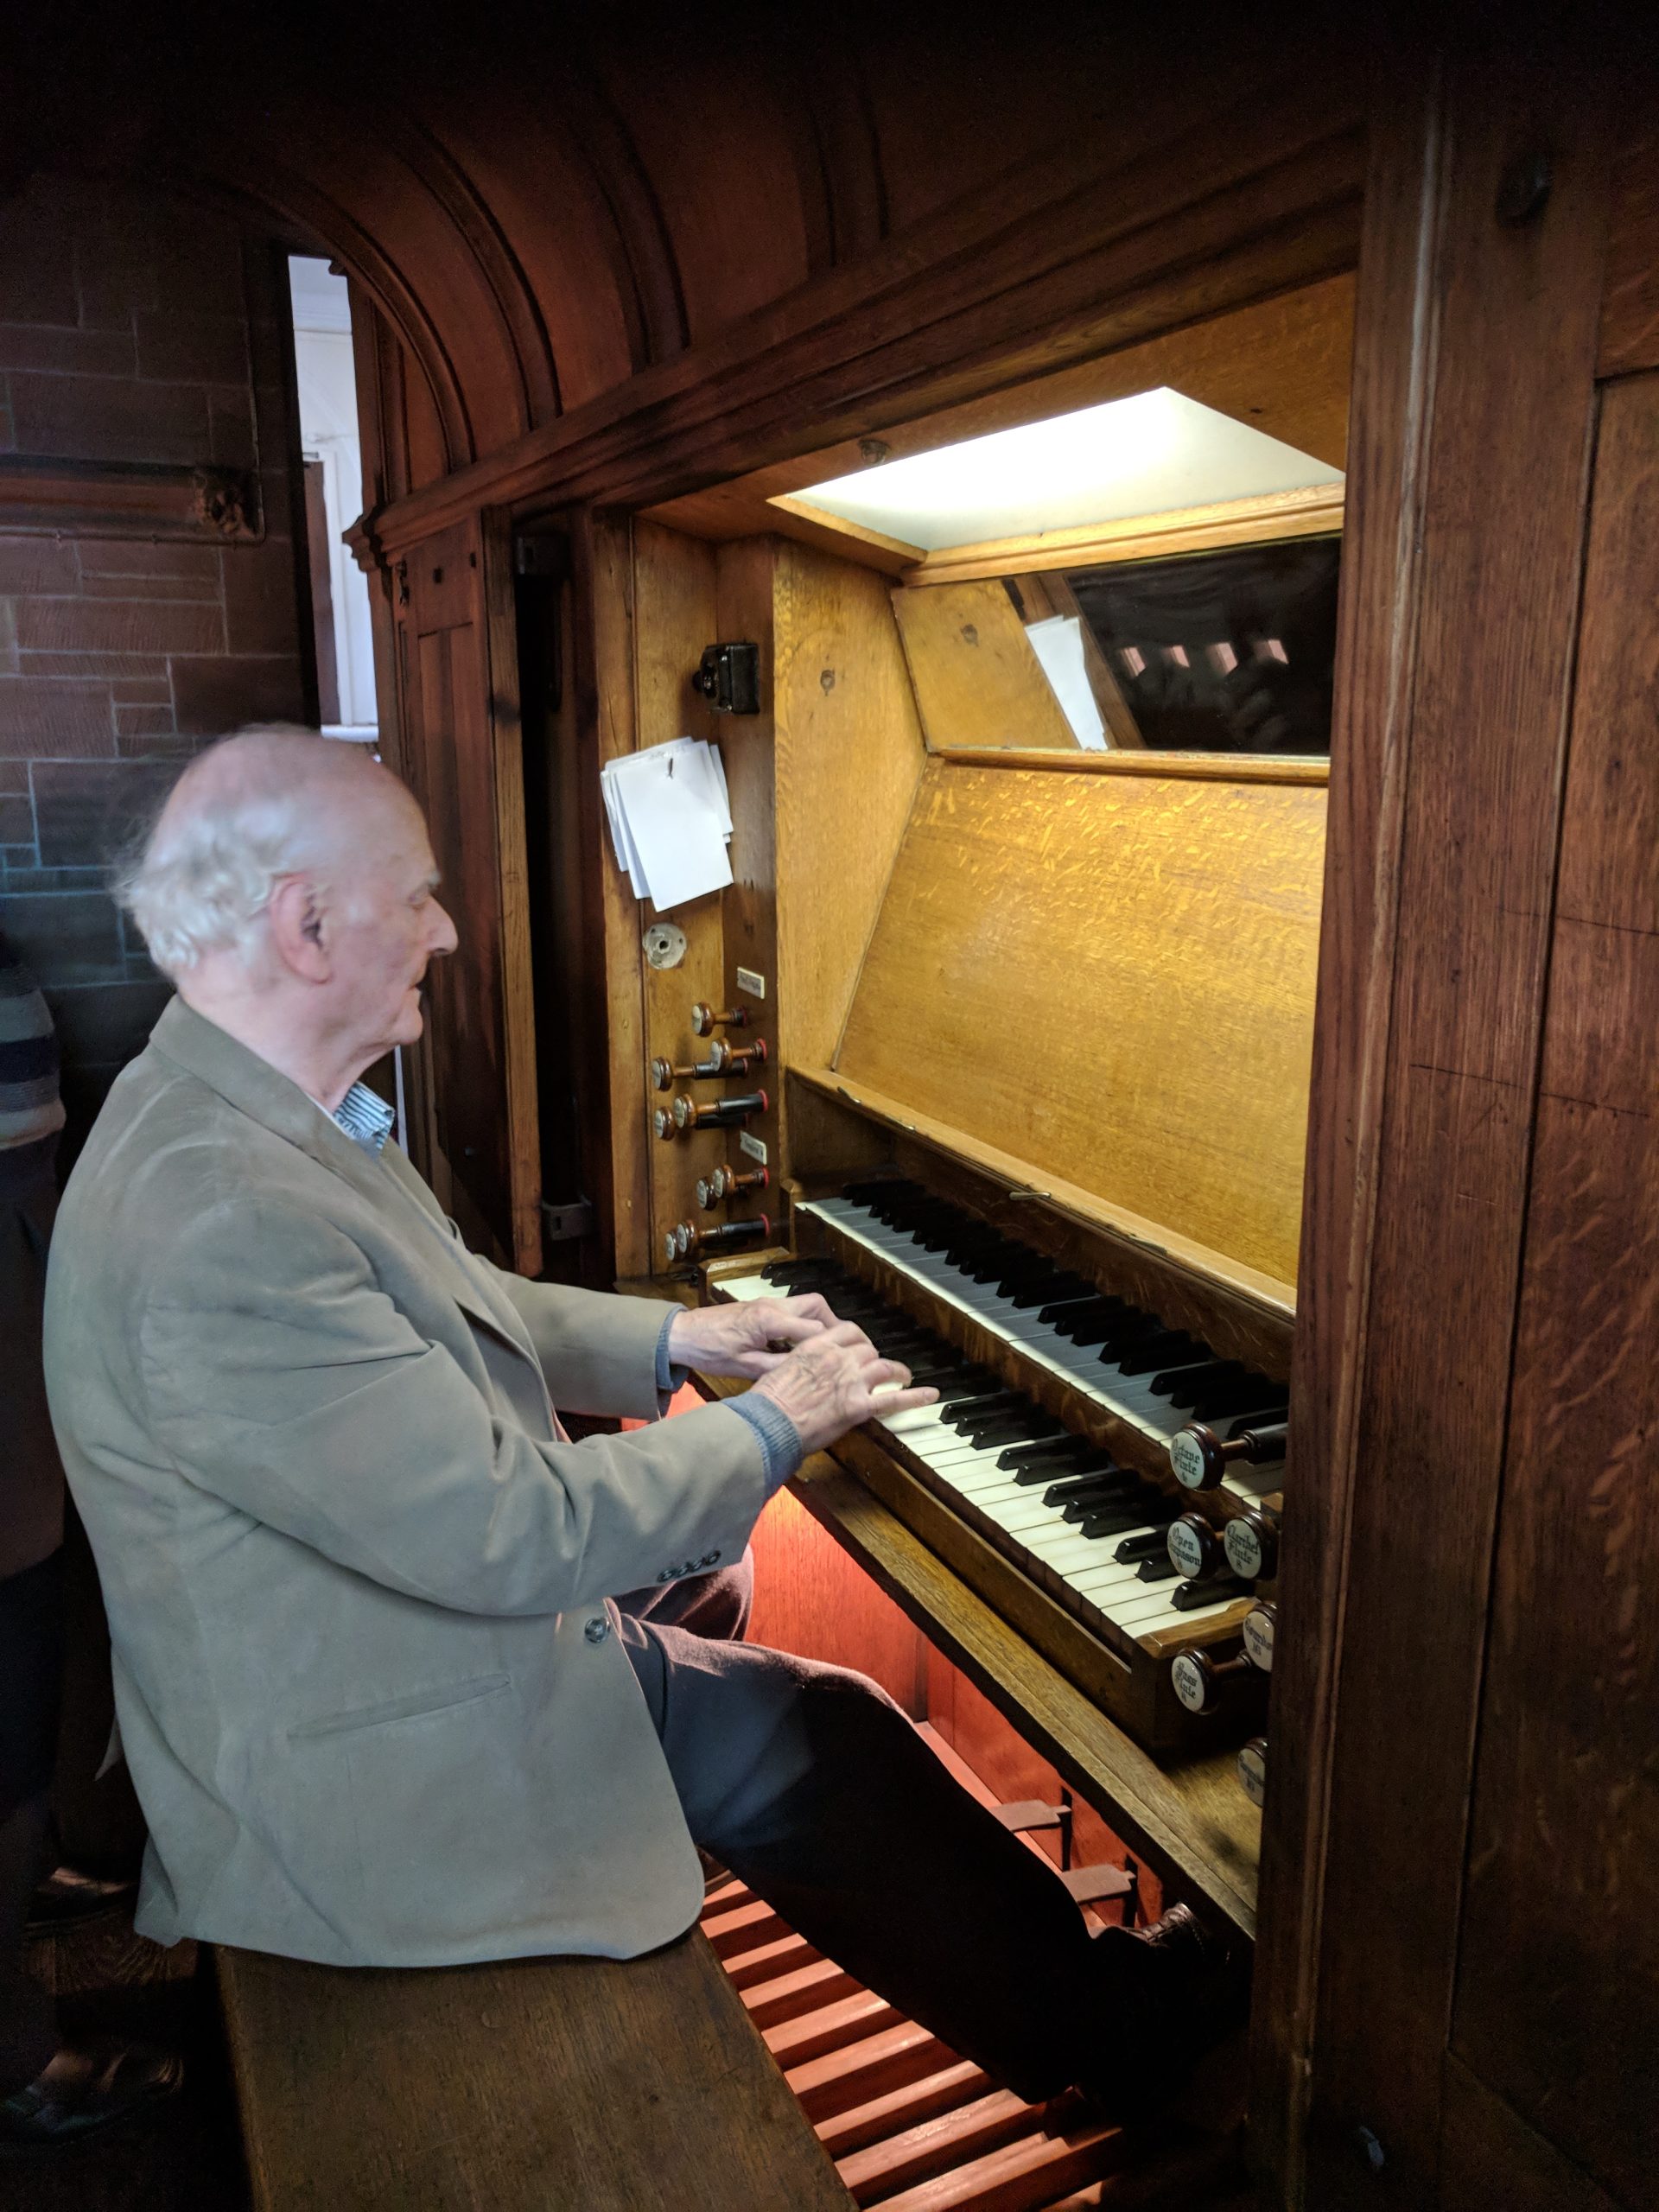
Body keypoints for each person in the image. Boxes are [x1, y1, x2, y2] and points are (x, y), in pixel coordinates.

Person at [42, 728, 1239, 2119]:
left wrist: (681, 1337)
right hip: (359, 1771)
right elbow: (509, 1532)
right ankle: (1112, 2038)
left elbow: (451, 1294)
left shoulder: (236, 1106)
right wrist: (779, 1424)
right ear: (306, 927)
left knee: (717, 1575)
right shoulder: (227, 1214)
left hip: (336, 1643)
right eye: (418, 894)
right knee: (831, 1731)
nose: (444, 928)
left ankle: (734, 1822)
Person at [0, 931, 181, 2149]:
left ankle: (28, 1868)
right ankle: (11, 2064)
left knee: (45, 1588)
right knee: (6, 1644)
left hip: (24, 1211)